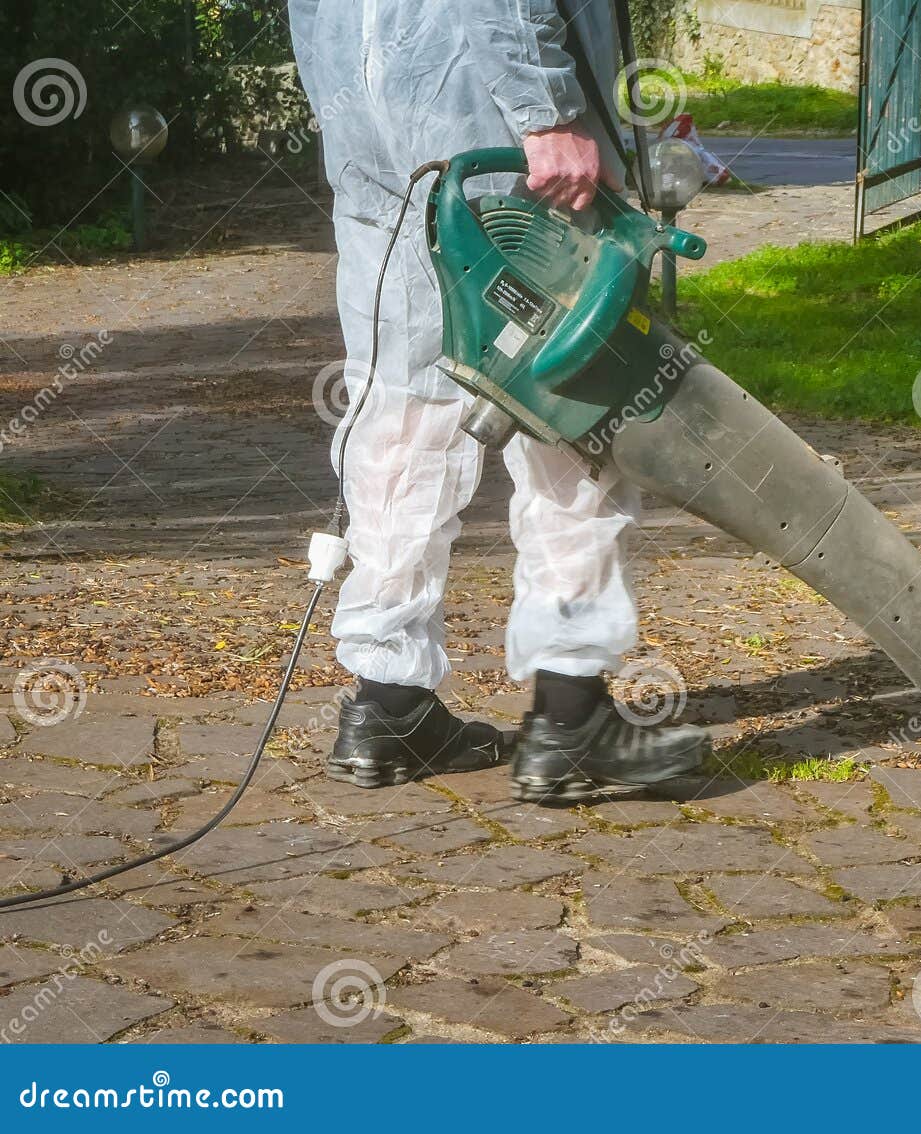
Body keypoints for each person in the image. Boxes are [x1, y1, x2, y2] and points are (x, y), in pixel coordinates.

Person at [287, 0, 706, 802]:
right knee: (569, 403)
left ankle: (389, 703)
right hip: (486, 111)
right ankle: (568, 717)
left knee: (401, 408)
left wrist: (344, 106)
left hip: (373, 117)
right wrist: (547, 111)